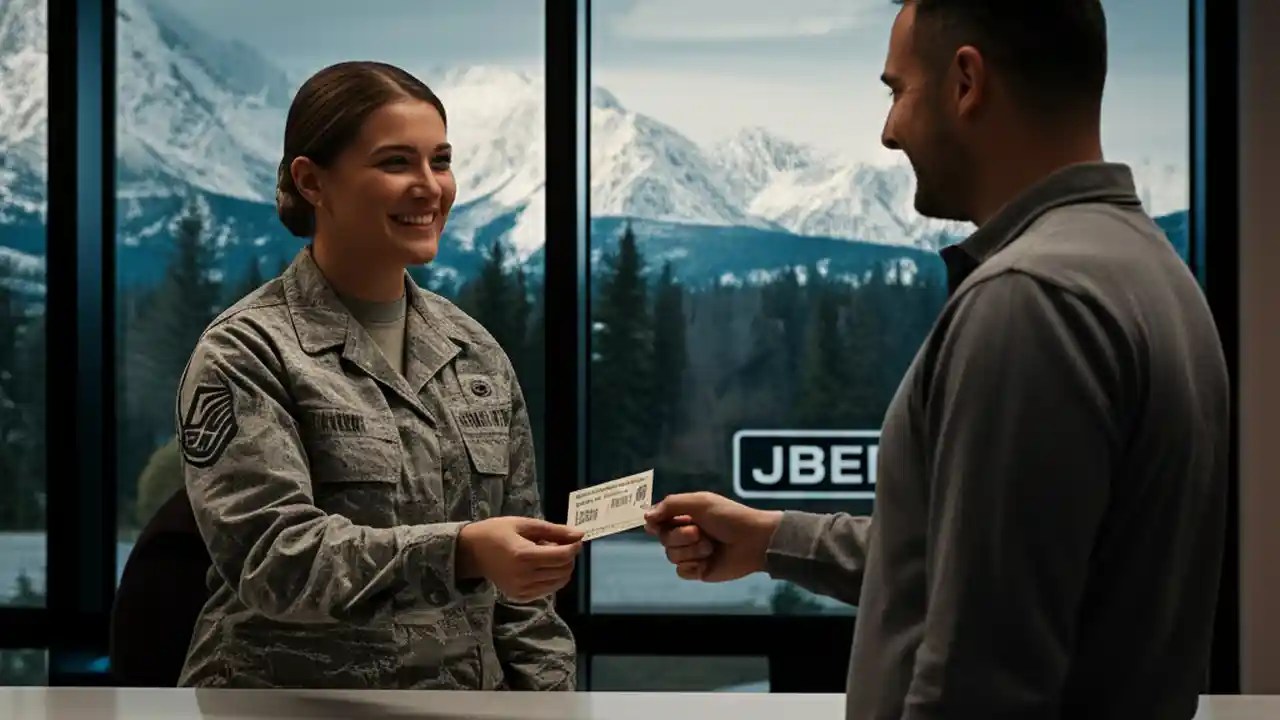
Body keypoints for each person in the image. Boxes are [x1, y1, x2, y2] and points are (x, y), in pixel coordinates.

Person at [645, 2, 1229, 719]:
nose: (889, 132)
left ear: (966, 81)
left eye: (897, 91)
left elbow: (982, 678)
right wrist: (772, 540)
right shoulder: (1152, 275)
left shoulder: (1029, 301)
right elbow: (981, 558)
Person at [174, 61, 582, 691]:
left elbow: (524, 606)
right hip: (290, 709)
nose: (430, 187)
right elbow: (275, 562)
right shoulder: (248, 351)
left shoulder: (475, 351)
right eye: (396, 163)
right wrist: (464, 550)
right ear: (312, 181)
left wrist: (552, 705)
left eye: (440, 161)